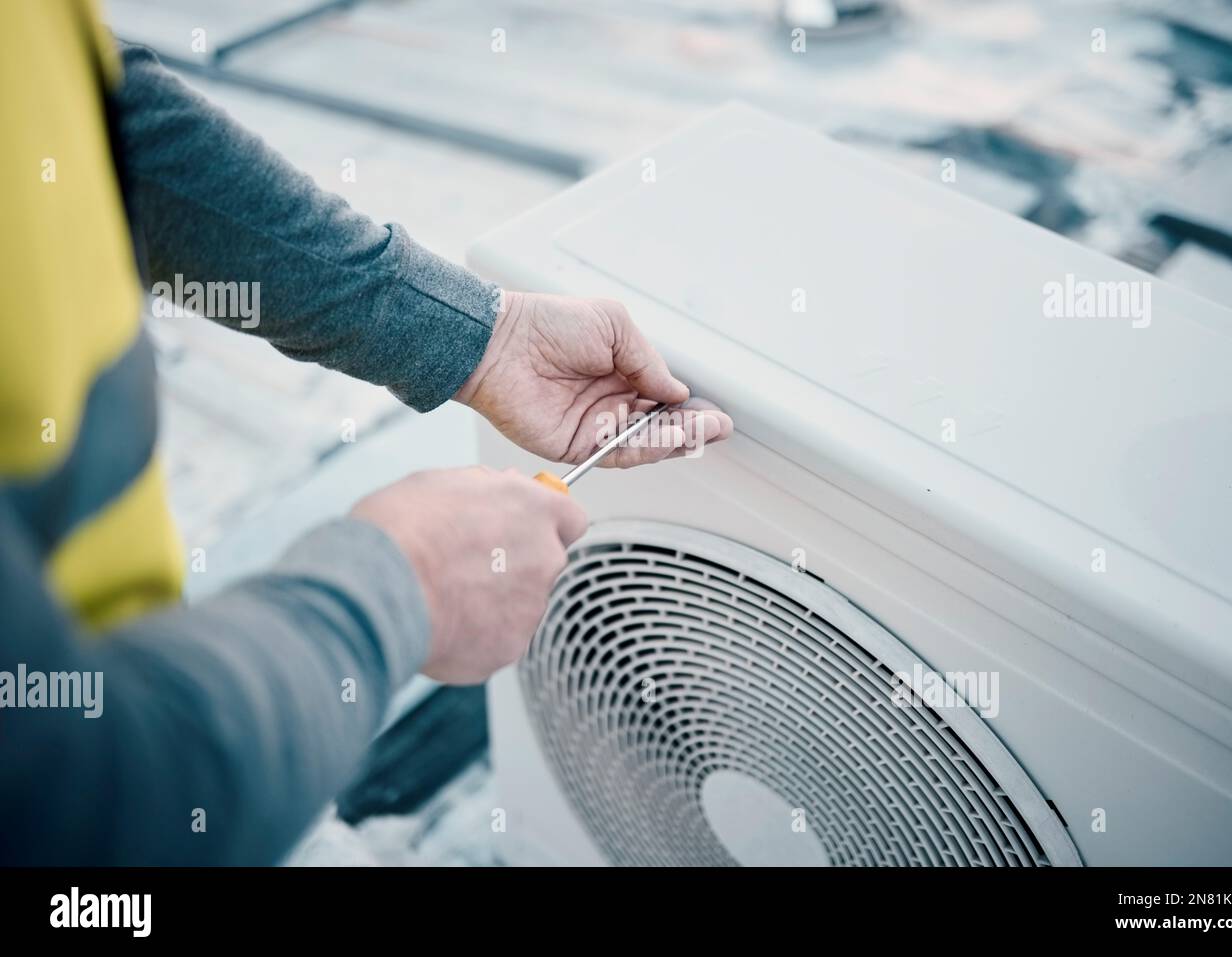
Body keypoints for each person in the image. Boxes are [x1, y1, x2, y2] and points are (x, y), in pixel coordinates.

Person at [0, 1, 732, 864]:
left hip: (200, 708)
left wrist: (475, 338)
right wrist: (402, 586)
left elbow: (95, 127)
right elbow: (58, 798)